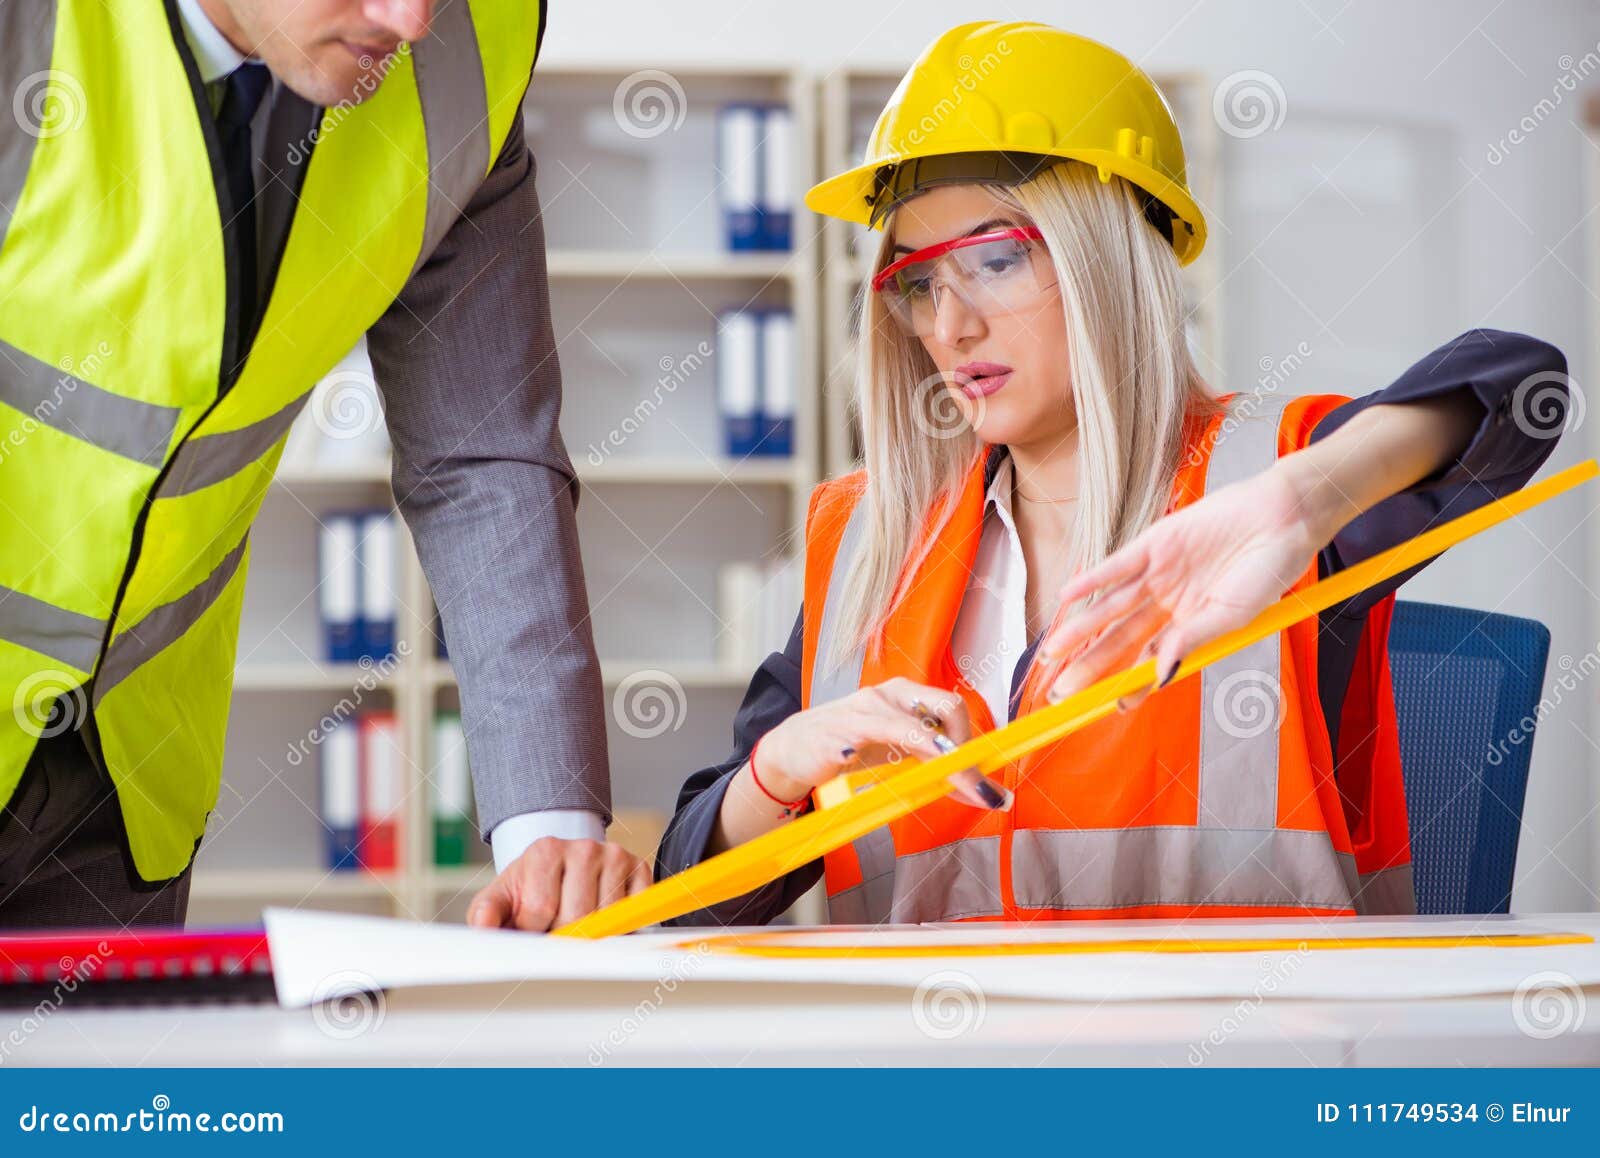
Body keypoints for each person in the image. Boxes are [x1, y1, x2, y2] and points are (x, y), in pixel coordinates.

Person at [656, 21, 1569, 926]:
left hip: (1244, 1061)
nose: (949, 326)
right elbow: (689, 897)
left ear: (1109, 260)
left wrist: (1308, 499)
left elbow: (1520, 384)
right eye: (920, 283)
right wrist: (779, 769)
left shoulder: (1270, 480)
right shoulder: (865, 539)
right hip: (942, 1066)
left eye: (996, 259)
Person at [0, 0, 647, 931]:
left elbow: (482, 457)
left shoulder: (469, 46)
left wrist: (546, 833)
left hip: (118, 784)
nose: (413, 18)